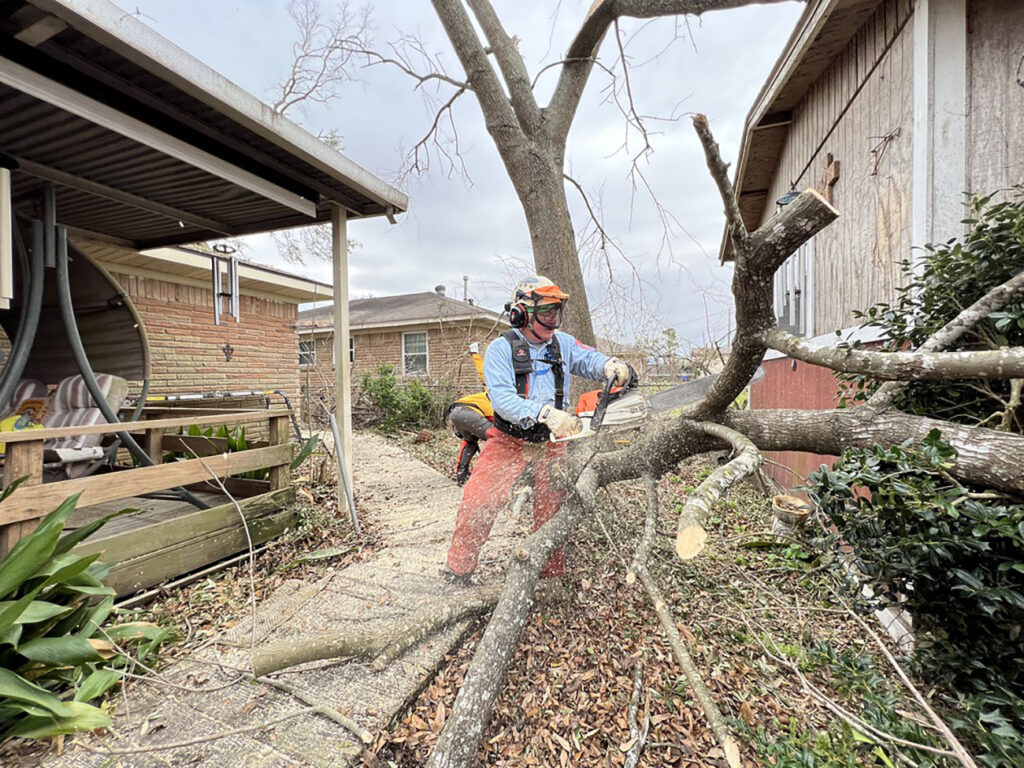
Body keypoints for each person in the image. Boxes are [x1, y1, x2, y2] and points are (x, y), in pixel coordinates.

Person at [444, 276, 631, 585]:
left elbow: (588, 358)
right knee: (478, 503)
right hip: (508, 440)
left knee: (552, 509)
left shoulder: (563, 344)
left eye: (557, 312)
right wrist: (542, 412)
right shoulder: (500, 350)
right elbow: (502, 400)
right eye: (546, 312)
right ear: (522, 313)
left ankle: (549, 577)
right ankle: (459, 570)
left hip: (553, 442)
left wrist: (609, 365)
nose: (552, 321)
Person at [445, 342, 493, 485]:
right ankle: (488, 475)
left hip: (455, 411)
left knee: (470, 440)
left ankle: (461, 474)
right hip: (472, 412)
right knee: (498, 439)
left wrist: (474, 353)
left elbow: (482, 370)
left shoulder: (491, 386)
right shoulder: (503, 402)